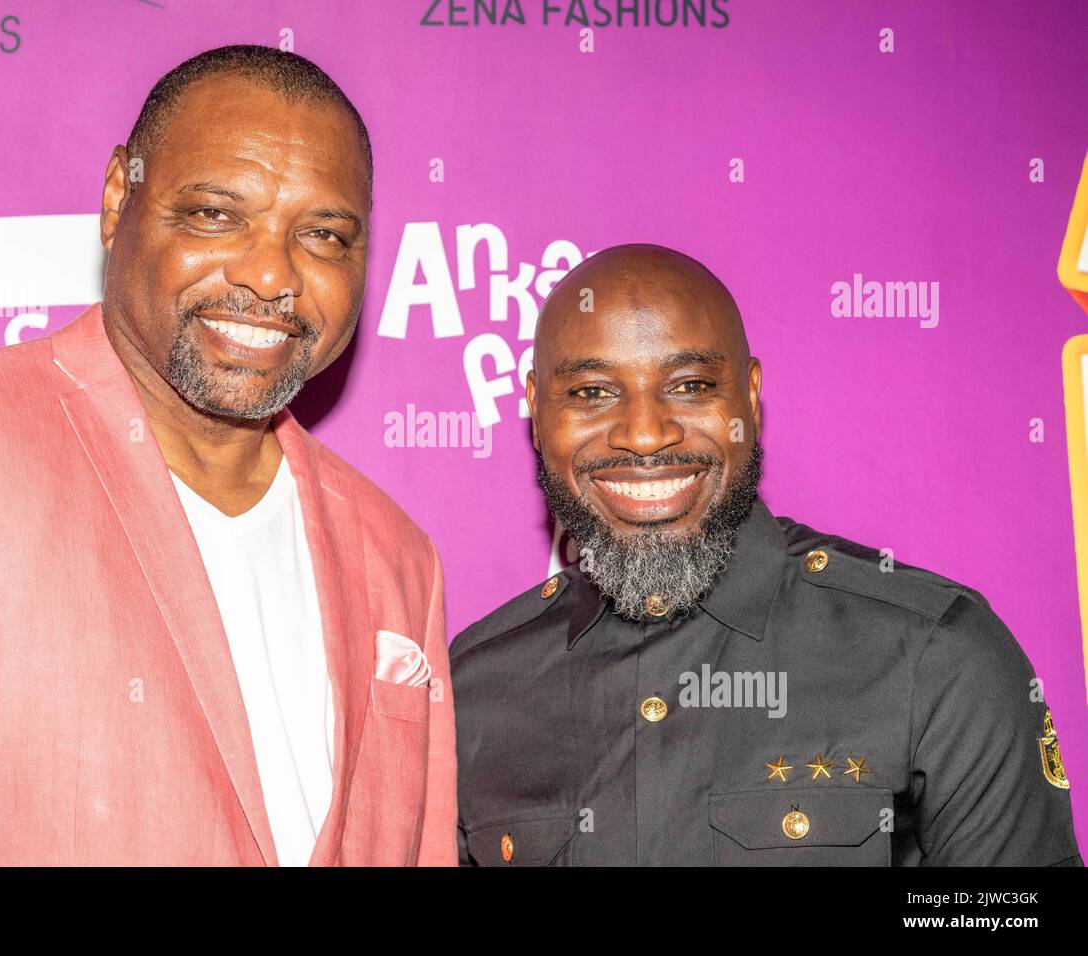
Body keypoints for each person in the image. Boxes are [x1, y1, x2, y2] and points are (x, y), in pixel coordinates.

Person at [0, 45, 455, 867]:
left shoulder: (398, 555)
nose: (270, 273)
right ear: (117, 200)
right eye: (216, 214)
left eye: (322, 234)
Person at [450, 243, 1079, 866]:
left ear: (750, 397)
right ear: (535, 411)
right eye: (591, 393)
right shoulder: (472, 687)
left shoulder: (937, 654)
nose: (645, 434)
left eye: (690, 385)